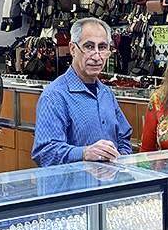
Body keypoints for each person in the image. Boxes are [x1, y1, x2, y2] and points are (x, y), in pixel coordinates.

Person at [32, 17, 132, 166]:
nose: (97, 56)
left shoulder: (106, 94)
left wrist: (120, 159)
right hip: (73, 187)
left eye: (103, 47)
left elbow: (123, 138)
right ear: (73, 49)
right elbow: (45, 153)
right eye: (89, 47)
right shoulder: (54, 96)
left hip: (107, 185)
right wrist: (84, 153)